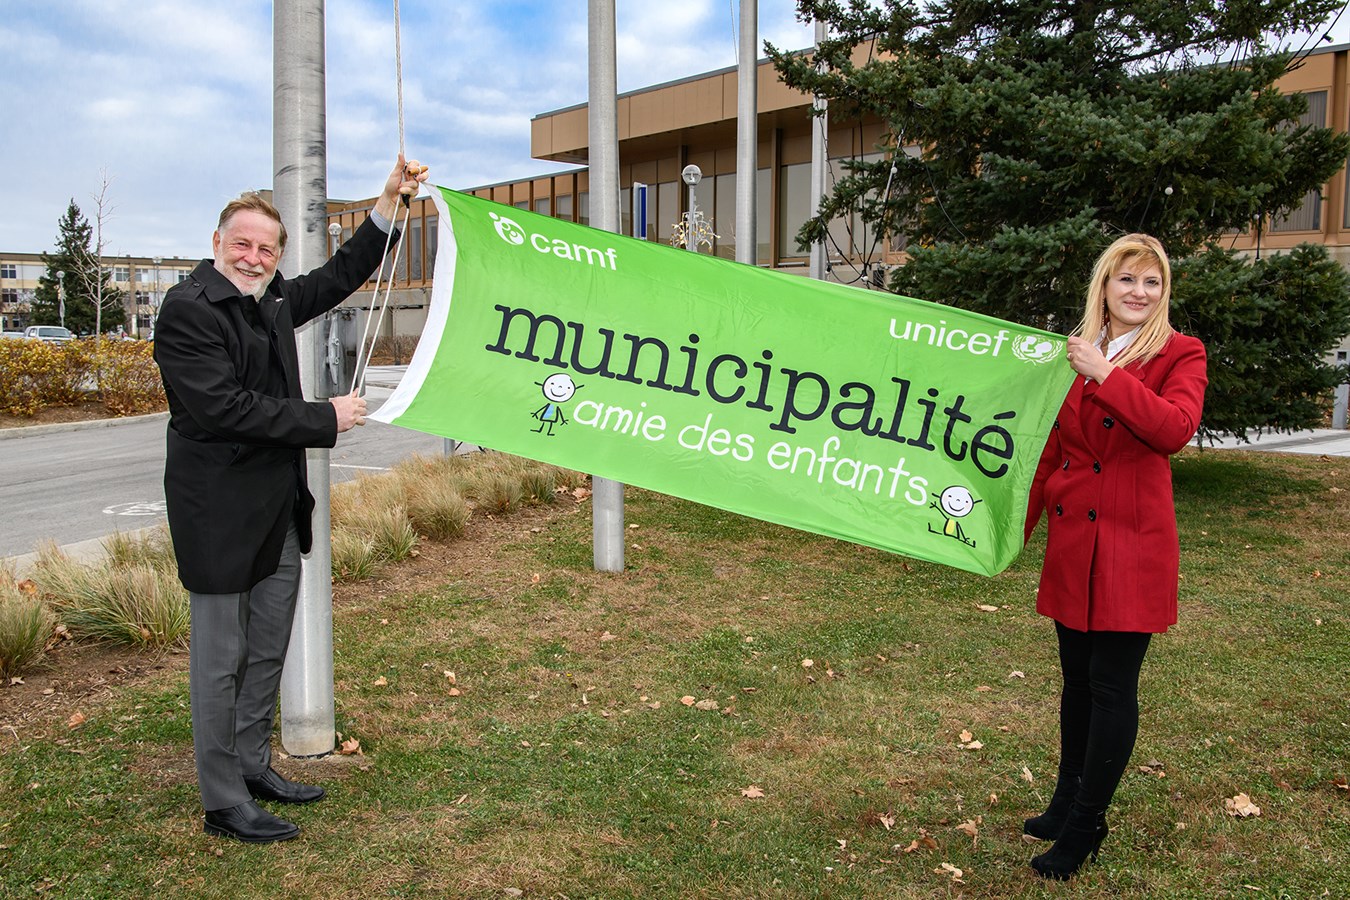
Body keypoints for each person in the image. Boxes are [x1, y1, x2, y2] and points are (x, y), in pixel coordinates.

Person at [153, 156, 428, 843]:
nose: (254, 257)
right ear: (218, 243)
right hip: (217, 517)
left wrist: (388, 205)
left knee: (268, 647)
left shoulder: (271, 299)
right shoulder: (189, 309)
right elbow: (224, 409)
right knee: (220, 663)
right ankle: (222, 801)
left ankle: (250, 765)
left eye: (267, 248)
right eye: (242, 244)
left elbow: (337, 277)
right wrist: (323, 417)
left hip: (277, 510)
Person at [1022, 233, 1208, 879]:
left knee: (1110, 686)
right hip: (1076, 541)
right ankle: (1065, 797)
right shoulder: (1076, 352)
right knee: (1076, 681)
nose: (1138, 292)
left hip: (1133, 543)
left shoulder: (1180, 352)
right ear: (1103, 286)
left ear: (1163, 293)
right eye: (1126, 280)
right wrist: (1009, 532)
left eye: (1151, 283)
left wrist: (1105, 375)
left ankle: (1086, 824)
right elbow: (1049, 452)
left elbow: (1173, 431)